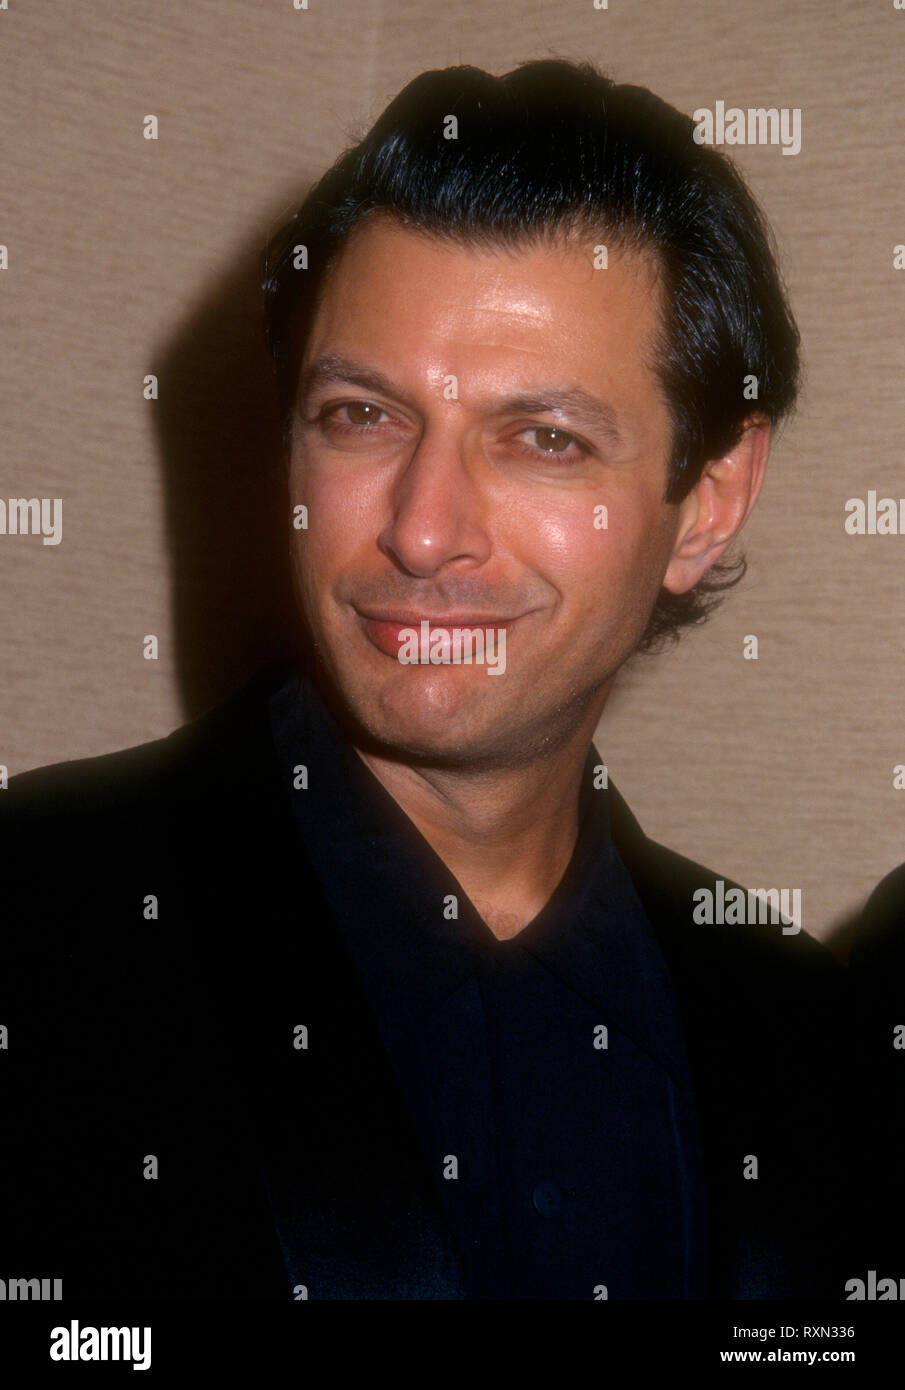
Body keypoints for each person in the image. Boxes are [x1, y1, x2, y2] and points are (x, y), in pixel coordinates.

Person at [0, 59, 872, 1301]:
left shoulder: (810, 1037)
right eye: (362, 416)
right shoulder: (37, 927)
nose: (420, 529)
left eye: (542, 439)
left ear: (705, 504)